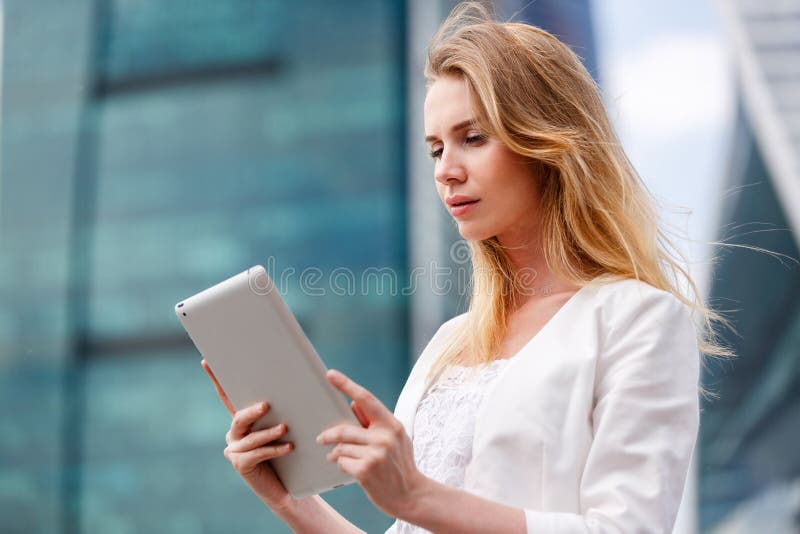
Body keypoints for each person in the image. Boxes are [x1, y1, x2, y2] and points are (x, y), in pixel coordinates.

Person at [200, 3, 730, 532]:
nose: (446, 172)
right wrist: (290, 500)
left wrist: (417, 496)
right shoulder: (451, 345)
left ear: (545, 142)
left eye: (472, 138)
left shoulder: (638, 320)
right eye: (435, 149)